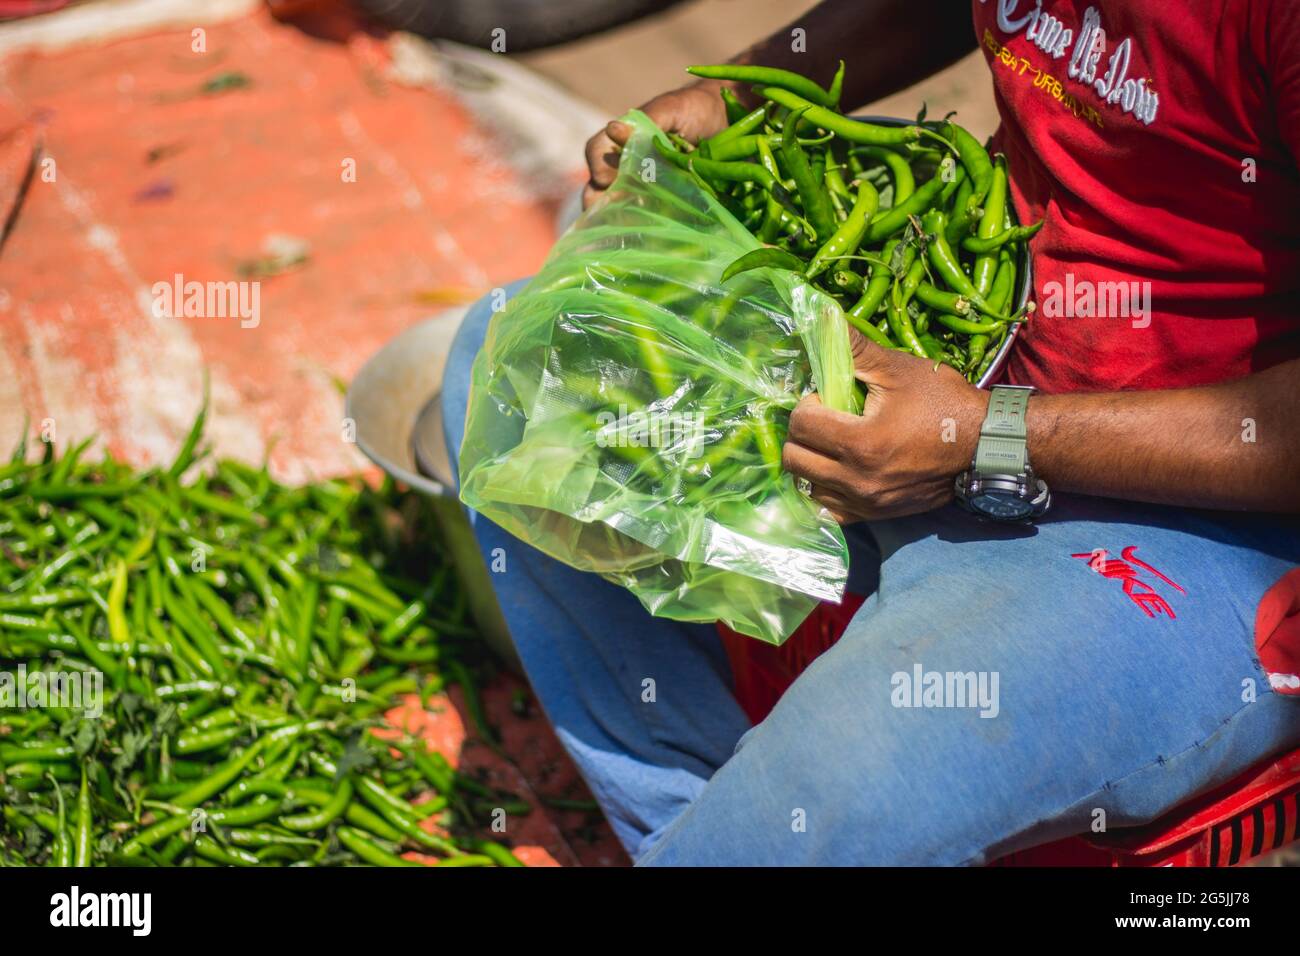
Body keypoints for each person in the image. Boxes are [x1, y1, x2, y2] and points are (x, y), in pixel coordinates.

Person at [442, 0, 1300, 864]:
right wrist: (741, 99)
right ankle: (683, 823)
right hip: (967, 343)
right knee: (514, 369)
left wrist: (984, 436)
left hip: (1200, 507)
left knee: (823, 796)